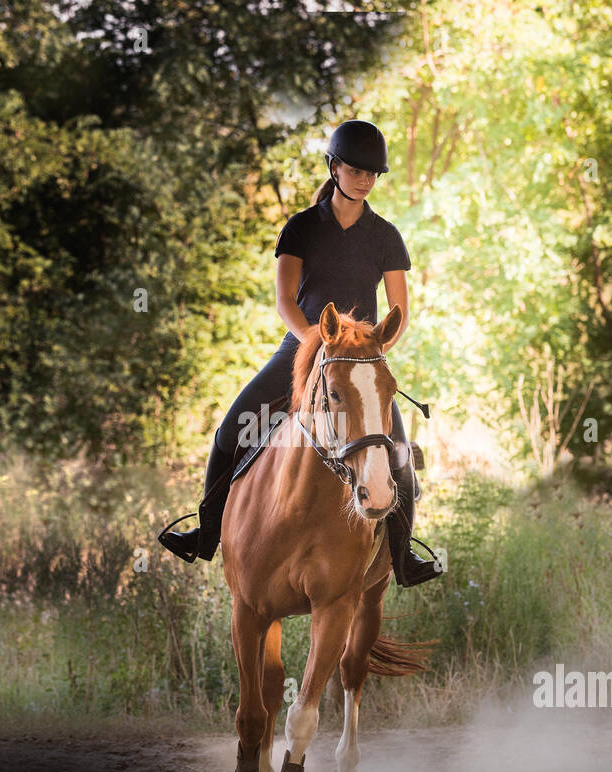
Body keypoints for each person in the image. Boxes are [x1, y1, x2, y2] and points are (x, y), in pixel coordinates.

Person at [157, 119, 442, 588]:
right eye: (356, 170)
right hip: (301, 350)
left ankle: (403, 555)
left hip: (360, 361)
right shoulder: (302, 228)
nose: (366, 180)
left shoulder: (386, 235)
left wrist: (368, 356)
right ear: (334, 168)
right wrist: (317, 343)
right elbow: (285, 301)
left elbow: (398, 311)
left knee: (401, 456)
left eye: (373, 174)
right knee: (231, 430)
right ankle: (206, 535)